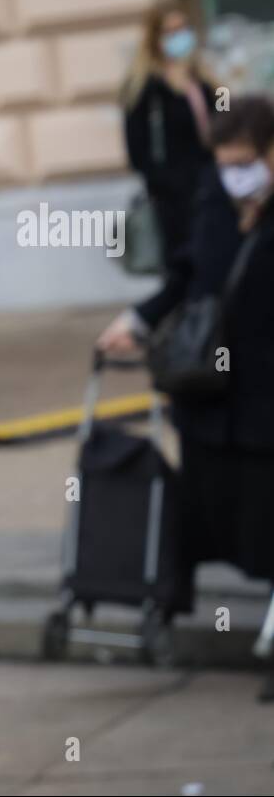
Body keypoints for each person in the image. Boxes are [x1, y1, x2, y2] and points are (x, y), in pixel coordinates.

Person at [98, 95, 274, 697]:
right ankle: (167, 612)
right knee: (209, 513)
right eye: (226, 162)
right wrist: (137, 321)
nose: (235, 174)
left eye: (246, 161)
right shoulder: (214, 201)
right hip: (211, 400)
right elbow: (186, 274)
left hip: (265, 404)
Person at [118, 2, 215, 275]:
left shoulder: (202, 80)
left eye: (183, 29)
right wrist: (164, 183)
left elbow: (222, 120)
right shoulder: (145, 87)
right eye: (170, 32)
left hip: (209, 184)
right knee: (182, 265)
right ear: (155, 39)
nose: (179, 37)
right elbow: (137, 150)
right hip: (173, 196)